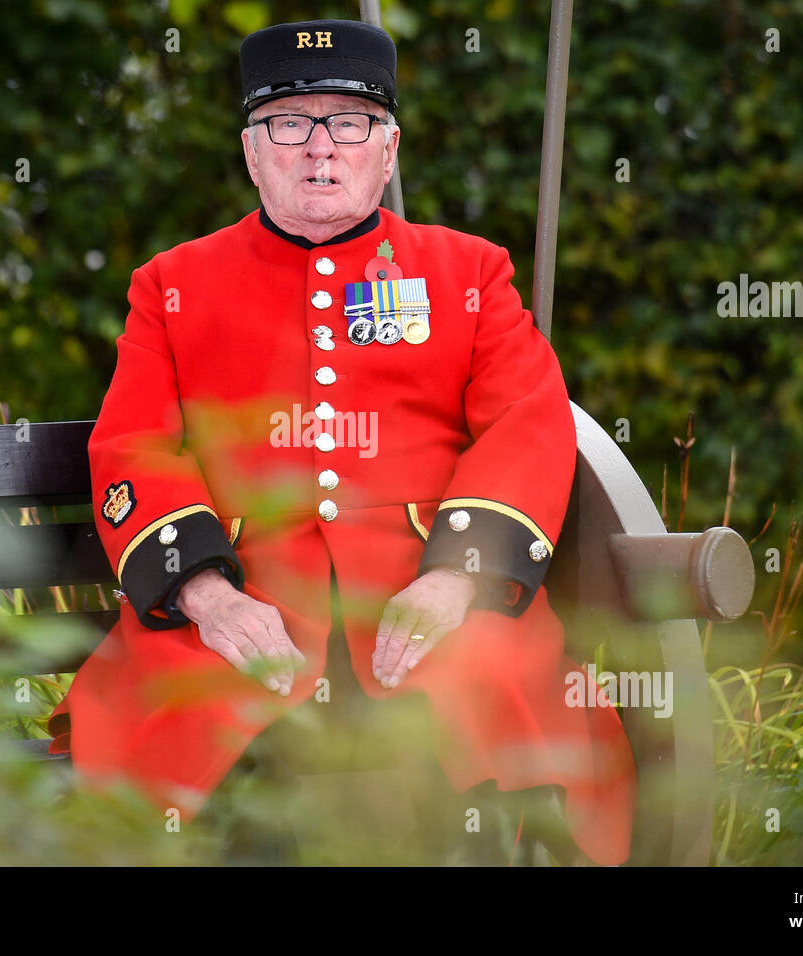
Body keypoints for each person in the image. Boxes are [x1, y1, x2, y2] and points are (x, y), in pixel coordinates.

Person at [47, 17, 636, 865]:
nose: (319, 150)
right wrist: (209, 597)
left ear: (386, 150)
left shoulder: (469, 273)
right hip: (245, 605)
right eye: (289, 124)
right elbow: (135, 445)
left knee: (489, 702)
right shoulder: (173, 285)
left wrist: (455, 579)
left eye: (348, 123)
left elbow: (527, 422)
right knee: (189, 735)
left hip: (436, 599)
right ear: (253, 153)